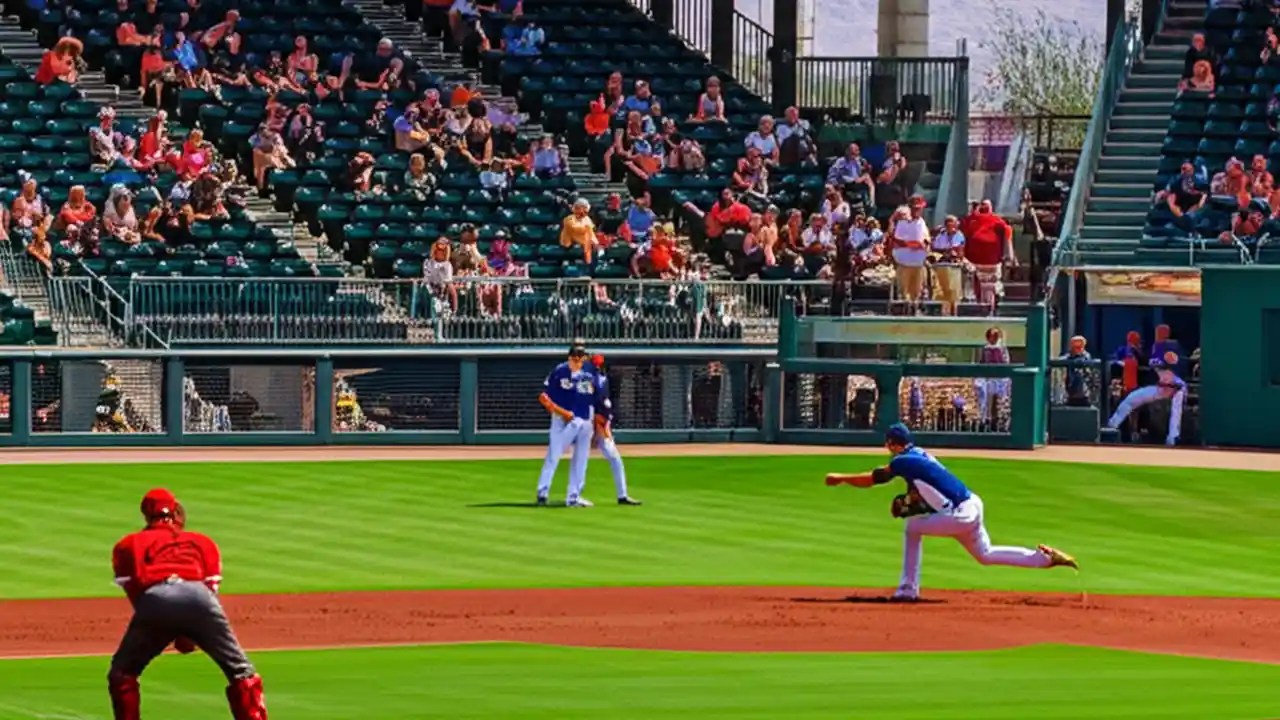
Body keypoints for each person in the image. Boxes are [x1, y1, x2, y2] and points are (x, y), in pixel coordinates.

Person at [823, 423, 1079, 601]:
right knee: (985, 555)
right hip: (970, 506)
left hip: (958, 515)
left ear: (892, 444)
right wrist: (914, 502)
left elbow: (873, 479)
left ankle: (908, 590)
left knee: (912, 528)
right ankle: (1044, 559)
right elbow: (930, 490)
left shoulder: (902, 461)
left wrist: (841, 478)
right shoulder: (922, 455)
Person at [108, 488, 268, 720]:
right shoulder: (202, 542)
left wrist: (163, 626)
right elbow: (210, 590)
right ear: (175, 511)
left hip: (156, 598)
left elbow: (137, 595)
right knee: (241, 671)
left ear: (145, 514)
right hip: (200, 597)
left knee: (122, 673)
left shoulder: (128, 544)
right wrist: (190, 634)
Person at [535, 342, 598, 508]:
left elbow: (593, 398)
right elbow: (543, 397)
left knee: (581, 459)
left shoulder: (589, 373)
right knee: (554, 454)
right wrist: (560, 411)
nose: (576, 360)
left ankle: (574, 496)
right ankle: (542, 492)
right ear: (569, 357)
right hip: (561, 420)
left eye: (580, 357)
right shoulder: (560, 371)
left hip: (583, 420)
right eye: (574, 357)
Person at [590, 354, 641, 505]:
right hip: (589, 424)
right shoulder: (597, 380)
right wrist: (598, 431)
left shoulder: (596, 379)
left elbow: (603, 408)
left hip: (593, 423)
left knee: (614, 460)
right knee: (613, 460)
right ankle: (572, 496)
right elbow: (601, 407)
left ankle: (622, 495)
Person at [1105, 351, 1186, 446]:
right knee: (1131, 399)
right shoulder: (1158, 363)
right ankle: (1112, 426)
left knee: (1176, 411)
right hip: (1160, 390)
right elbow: (1151, 365)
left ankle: (1173, 438)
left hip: (1177, 391)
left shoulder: (1177, 371)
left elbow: (1178, 385)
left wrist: (1172, 386)